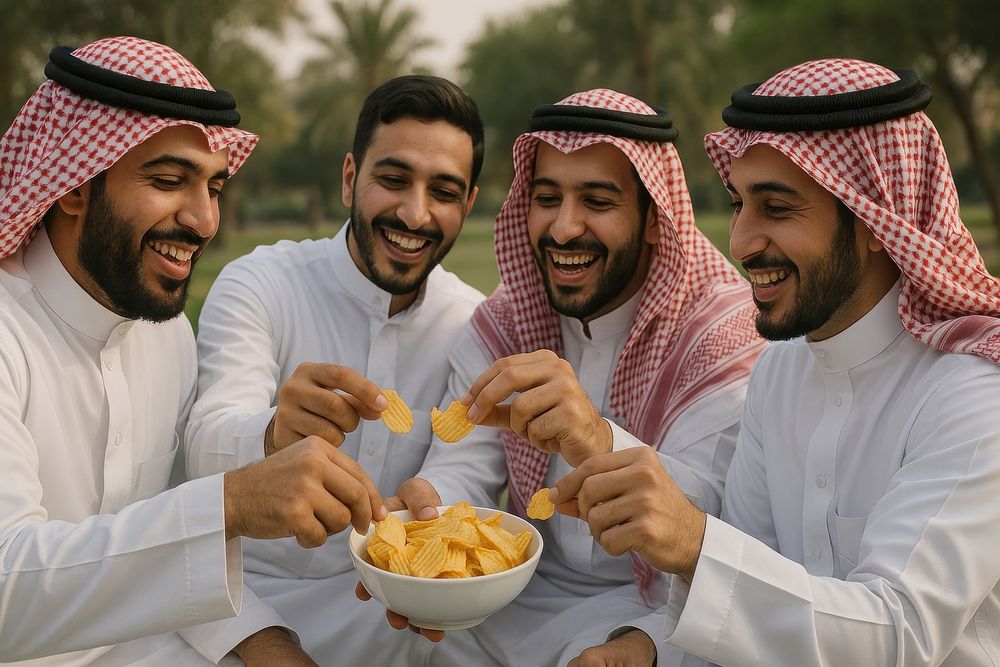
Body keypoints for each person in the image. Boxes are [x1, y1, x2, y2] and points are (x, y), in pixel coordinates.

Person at [557, 59, 1000, 666]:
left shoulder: (973, 395)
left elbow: (897, 634)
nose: (740, 242)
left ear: (877, 219)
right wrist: (647, 647)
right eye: (740, 204)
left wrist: (695, 543)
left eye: (777, 208)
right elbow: (756, 576)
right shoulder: (779, 372)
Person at [0, 37, 388, 666]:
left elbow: (174, 556)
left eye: (214, 187)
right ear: (73, 185)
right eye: (168, 181)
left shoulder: (167, 335)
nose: (205, 221)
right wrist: (230, 503)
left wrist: (272, 646)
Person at [375, 89, 765, 666]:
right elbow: (467, 461)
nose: (562, 229)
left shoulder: (721, 334)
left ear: (655, 218)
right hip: (524, 594)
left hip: (658, 609)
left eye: (597, 201)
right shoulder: (505, 323)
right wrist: (433, 507)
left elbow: (708, 516)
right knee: (397, 632)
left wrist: (595, 439)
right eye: (547, 198)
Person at [184, 75, 486, 665]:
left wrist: (431, 504)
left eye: (443, 192)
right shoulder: (260, 284)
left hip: (394, 607)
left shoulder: (474, 323)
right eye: (393, 180)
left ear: (468, 205)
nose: (415, 213)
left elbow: (469, 466)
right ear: (350, 177)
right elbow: (204, 443)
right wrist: (273, 434)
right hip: (239, 610)